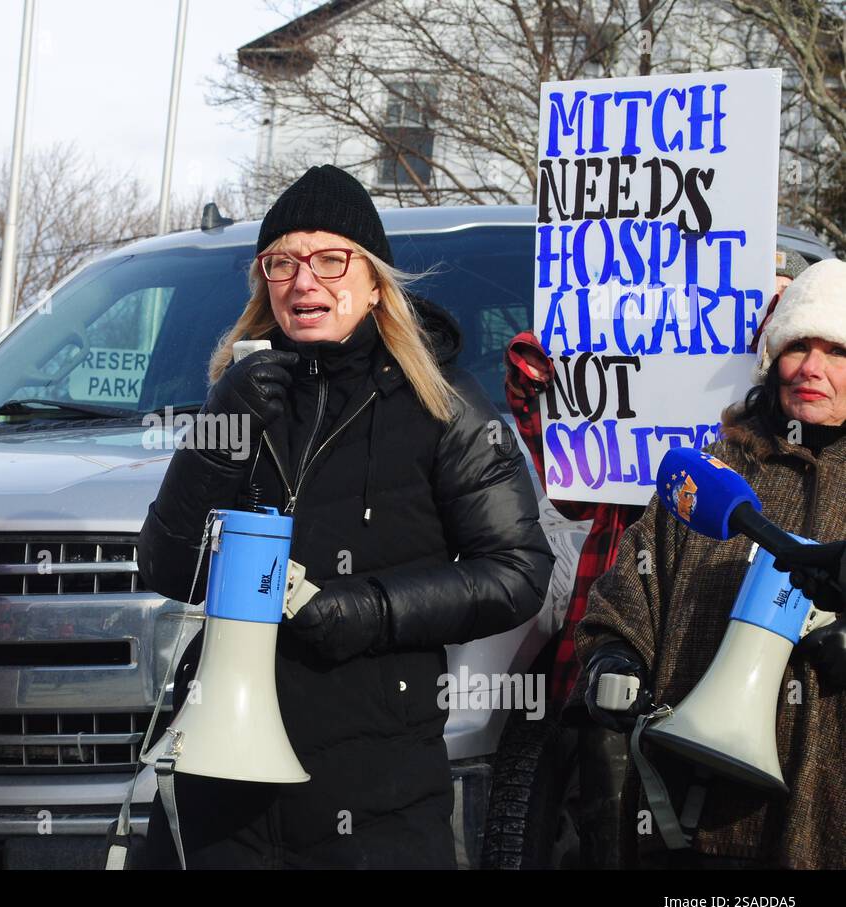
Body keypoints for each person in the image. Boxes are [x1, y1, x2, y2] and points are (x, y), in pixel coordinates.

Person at [135, 165, 554, 869]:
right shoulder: (238, 394)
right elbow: (170, 567)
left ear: (374, 280)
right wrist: (220, 432)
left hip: (375, 785)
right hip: (224, 786)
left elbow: (518, 571)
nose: (305, 282)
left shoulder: (440, 401)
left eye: (332, 259)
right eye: (283, 262)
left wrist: (373, 609)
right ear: (263, 281)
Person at [576, 257, 846, 869]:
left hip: (824, 817)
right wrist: (613, 660)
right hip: (697, 821)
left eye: (836, 350)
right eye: (797, 345)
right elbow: (627, 596)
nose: (811, 368)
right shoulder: (710, 475)